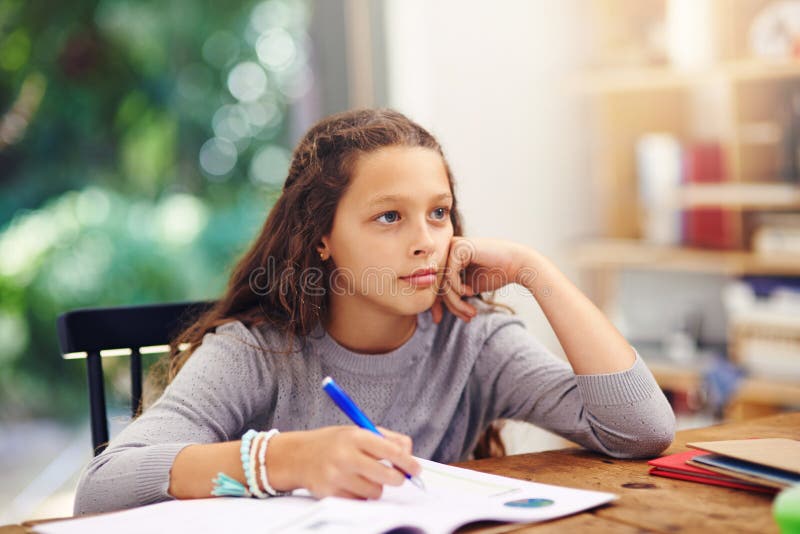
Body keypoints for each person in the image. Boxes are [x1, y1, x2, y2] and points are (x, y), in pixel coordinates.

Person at [74, 108, 675, 515]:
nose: (425, 241)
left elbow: (640, 430)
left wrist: (531, 269)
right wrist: (288, 458)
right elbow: (103, 488)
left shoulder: (472, 340)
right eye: (389, 216)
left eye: (438, 213)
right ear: (321, 237)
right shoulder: (258, 353)